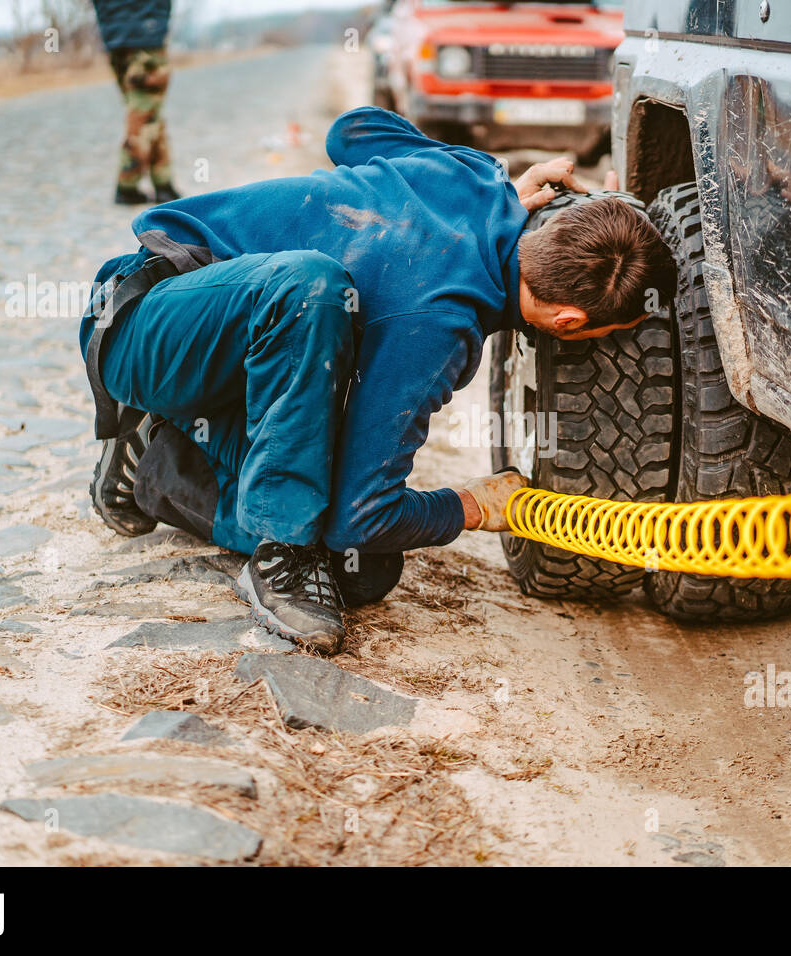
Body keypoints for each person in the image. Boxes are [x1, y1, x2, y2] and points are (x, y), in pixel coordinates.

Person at [80, 107, 675, 654]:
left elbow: (351, 130)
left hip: (240, 360)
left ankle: (156, 460)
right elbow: (360, 515)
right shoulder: (438, 325)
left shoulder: (473, 172)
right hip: (147, 317)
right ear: (569, 322)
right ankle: (280, 556)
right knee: (310, 287)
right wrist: (472, 507)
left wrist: (486, 183)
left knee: (362, 568)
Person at [92, 0, 180, 205]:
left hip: (114, 38)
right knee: (143, 116)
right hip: (147, 36)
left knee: (147, 114)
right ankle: (127, 185)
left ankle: (164, 185)